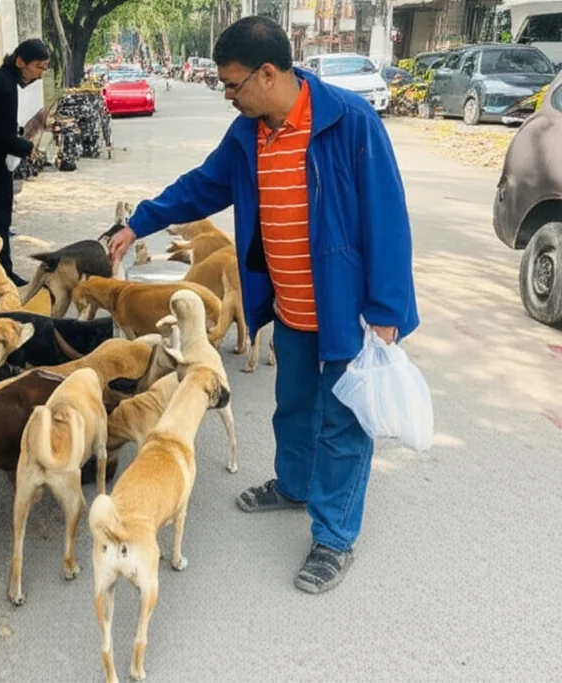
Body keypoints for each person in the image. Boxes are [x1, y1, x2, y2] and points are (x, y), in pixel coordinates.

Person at [107, 16, 419, 594]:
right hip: (291, 307)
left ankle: (333, 536)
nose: (226, 96)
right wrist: (138, 222)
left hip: (347, 311)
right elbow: (200, 186)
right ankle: (295, 485)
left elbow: (388, 220)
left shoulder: (349, 124)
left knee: (344, 424)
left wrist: (386, 312)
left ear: (268, 74)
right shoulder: (248, 134)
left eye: (232, 85)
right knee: (293, 405)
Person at [0, 38, 50, 286]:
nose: (40, 74)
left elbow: (1, 128)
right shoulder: (3, 86)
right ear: (20, 61)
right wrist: (26, 147)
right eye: (38, 67)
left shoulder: (4, 81)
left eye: (44, 68)